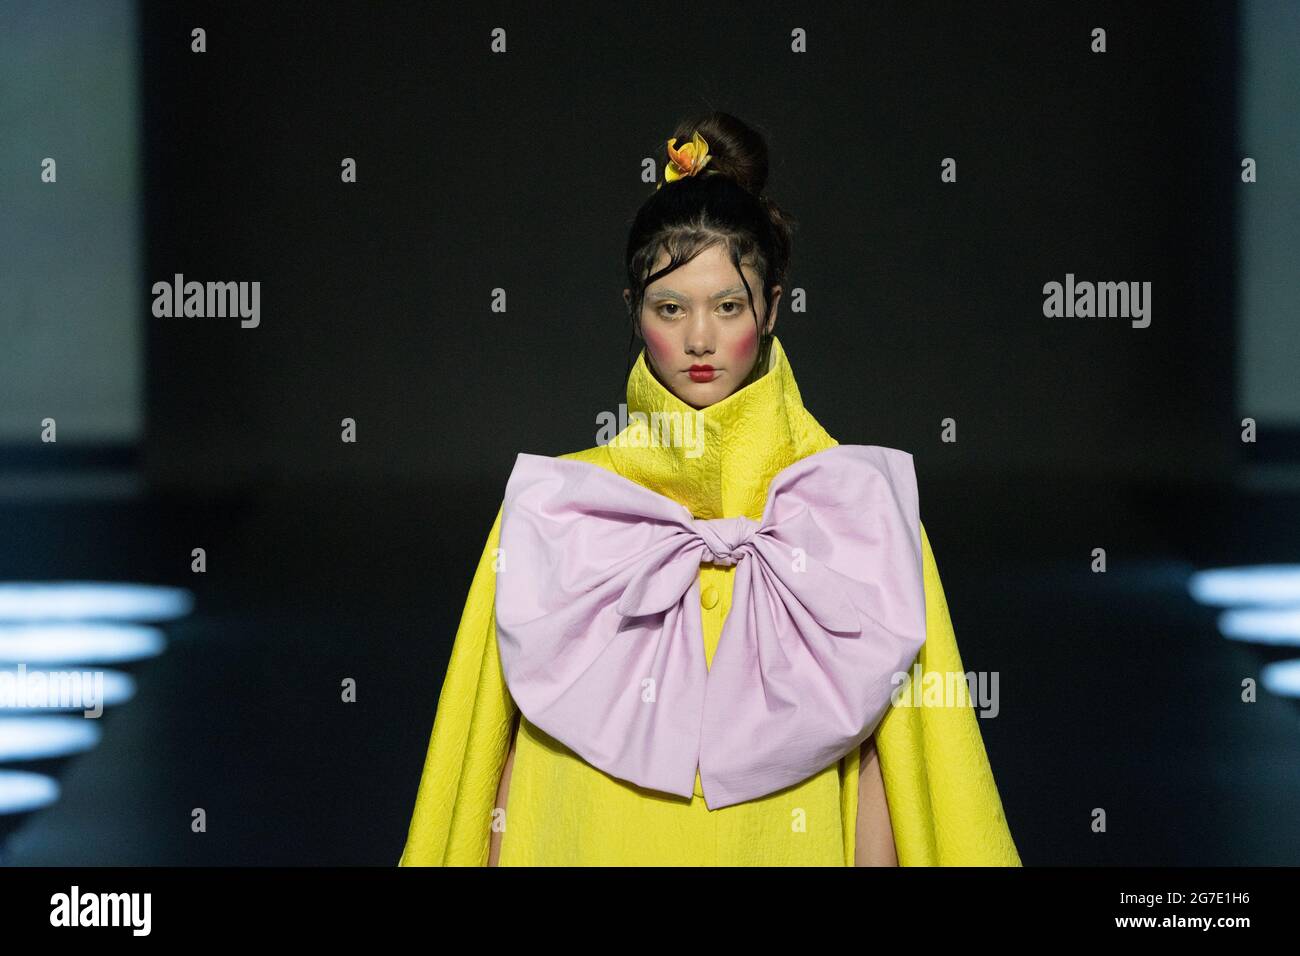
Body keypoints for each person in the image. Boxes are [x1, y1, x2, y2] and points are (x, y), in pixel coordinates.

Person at [399, 111, 1021, 866]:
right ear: (634, 314)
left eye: (728, 306)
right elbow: (485, 762)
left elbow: (905, 762)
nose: (700, 339)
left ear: (773, 306)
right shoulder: (561, 510)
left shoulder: (851, 509)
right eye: (671, 308)